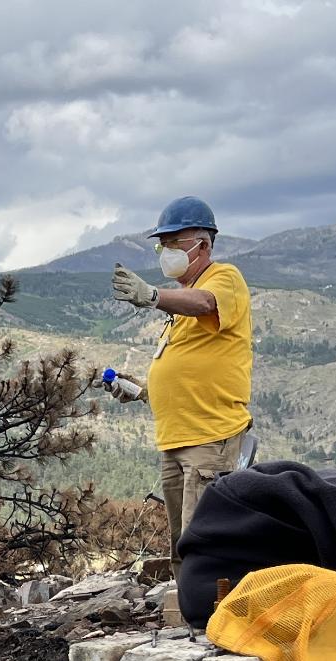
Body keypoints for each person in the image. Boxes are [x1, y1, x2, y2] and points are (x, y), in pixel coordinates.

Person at [109, 195, 255, 582]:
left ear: (203, 245)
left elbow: (205, 302)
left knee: (206, 537)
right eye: (164, 244)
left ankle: (216, 615)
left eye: (176, 242)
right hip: (176, 440)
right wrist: (142, 390)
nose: (167, 251)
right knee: (181, 540)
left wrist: (155, 297)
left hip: (210, 437)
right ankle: (189, 610)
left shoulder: (223, 279)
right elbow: (189, 371)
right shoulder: (180, 310)